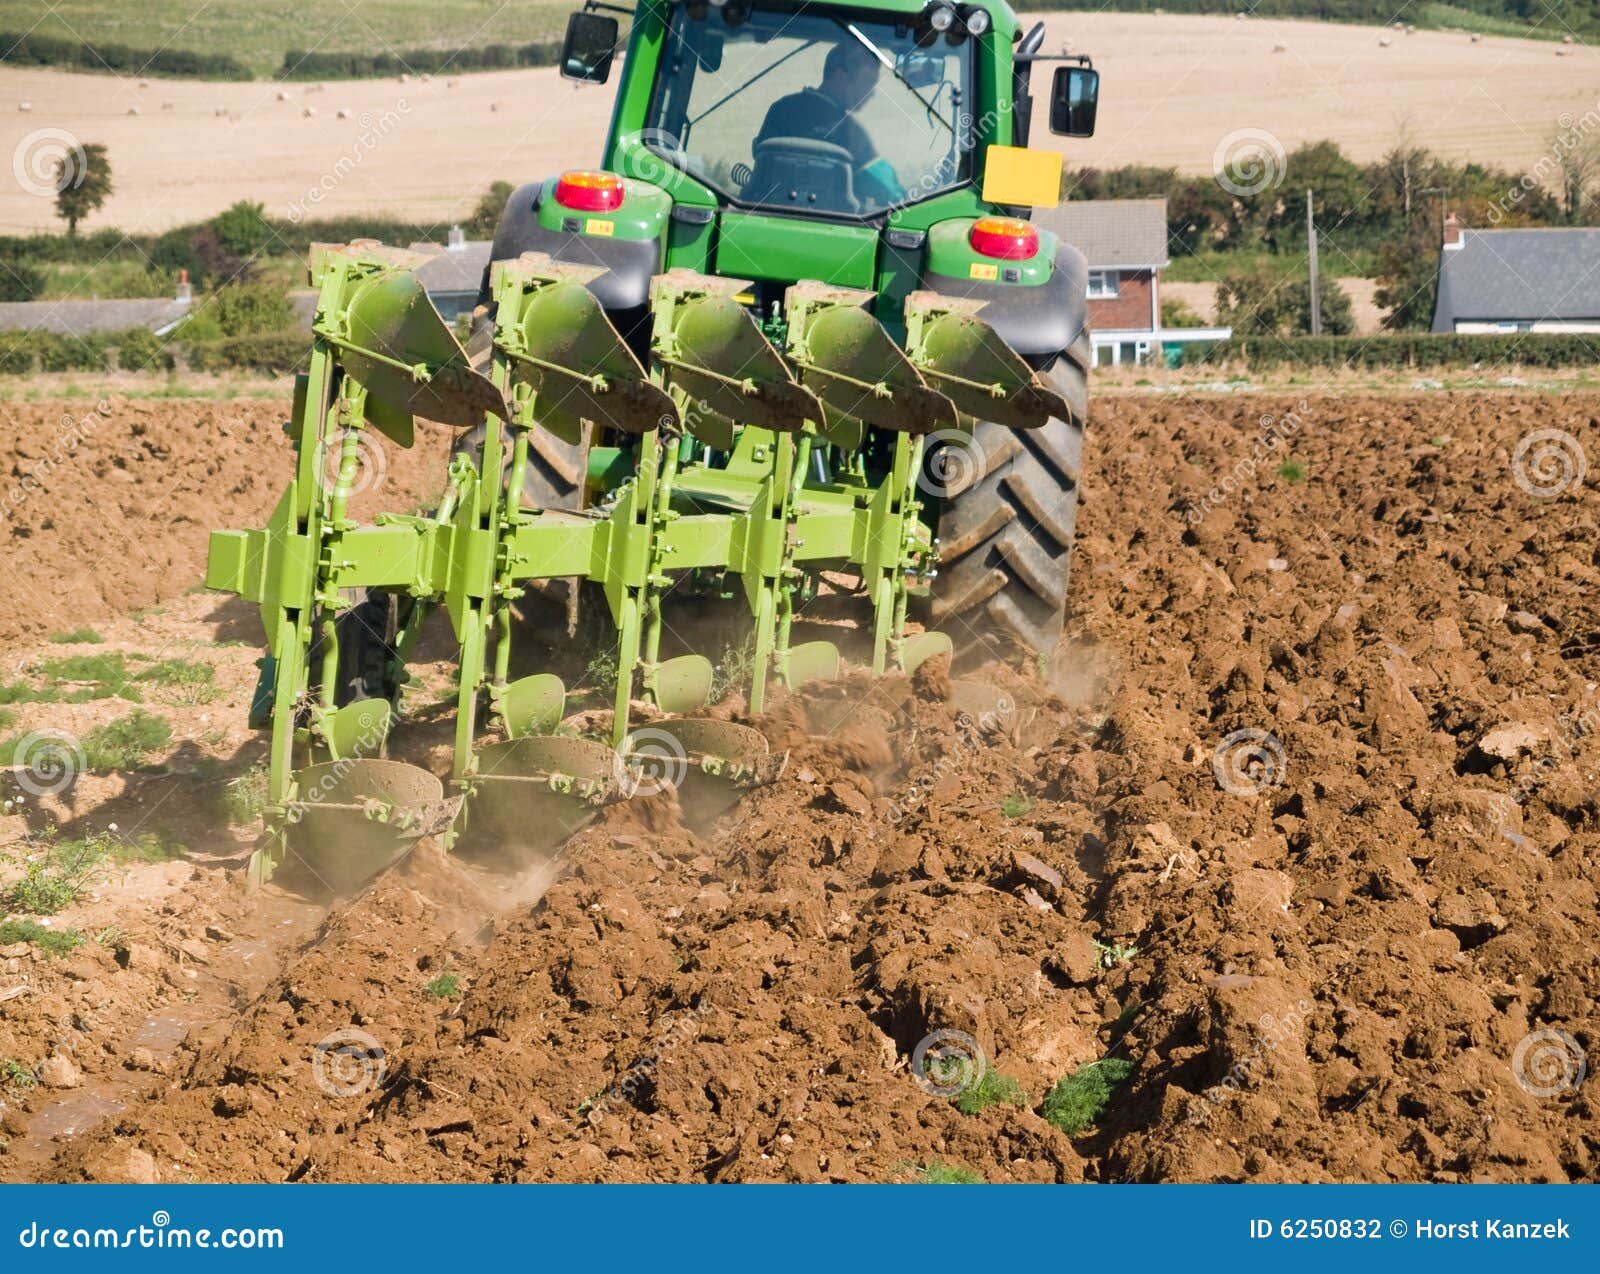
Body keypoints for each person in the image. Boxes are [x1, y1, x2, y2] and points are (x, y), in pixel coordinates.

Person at [755, 40, 904, 207]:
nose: (872, 93)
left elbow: (759, 155)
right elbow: (887, 189)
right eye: (868, 81)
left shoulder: (780, 109)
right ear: (840, 76)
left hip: (771, 214)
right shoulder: (850, 132)